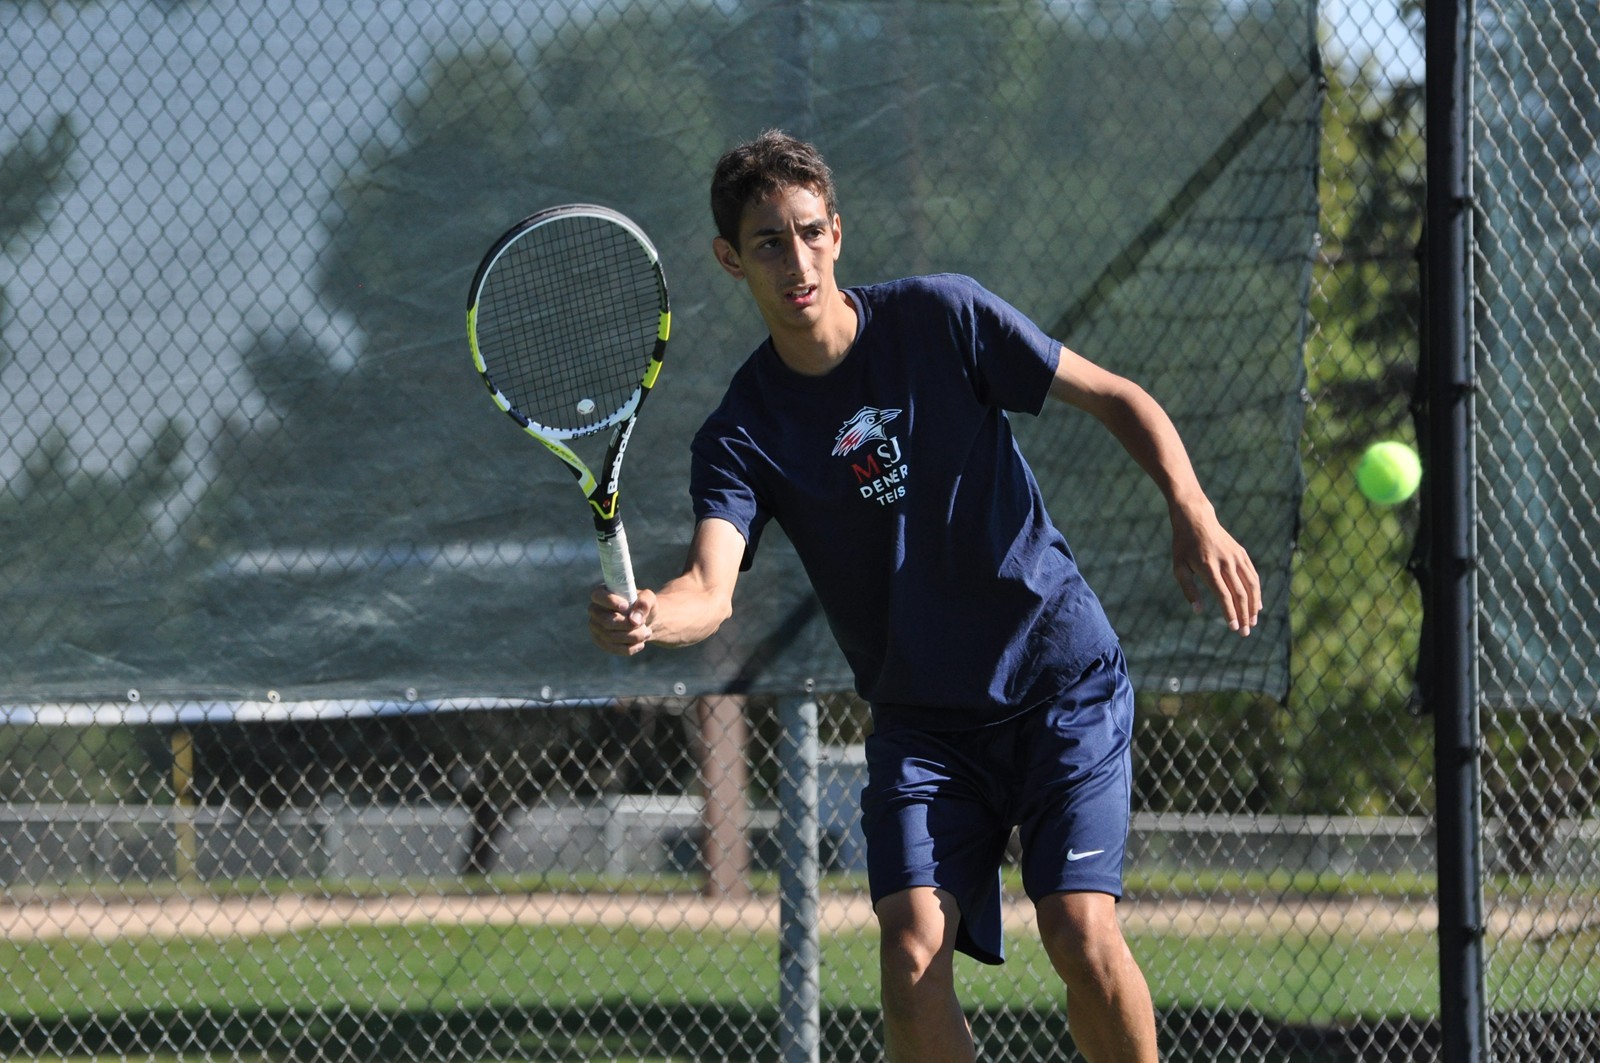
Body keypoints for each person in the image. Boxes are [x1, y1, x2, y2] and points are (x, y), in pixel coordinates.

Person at [589, 129, 1262, 1063]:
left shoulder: (944, 316)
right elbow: (711, 584)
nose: (796, 260)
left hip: (1059, 681)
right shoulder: (743, 431)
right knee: (910, 955)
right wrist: (652, 616)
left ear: (837, 232)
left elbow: (1116, 395)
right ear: (729, 258)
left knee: (1078, 931)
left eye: (809, 231)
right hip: (924, 723)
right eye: (769, 243)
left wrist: (1194, 509)